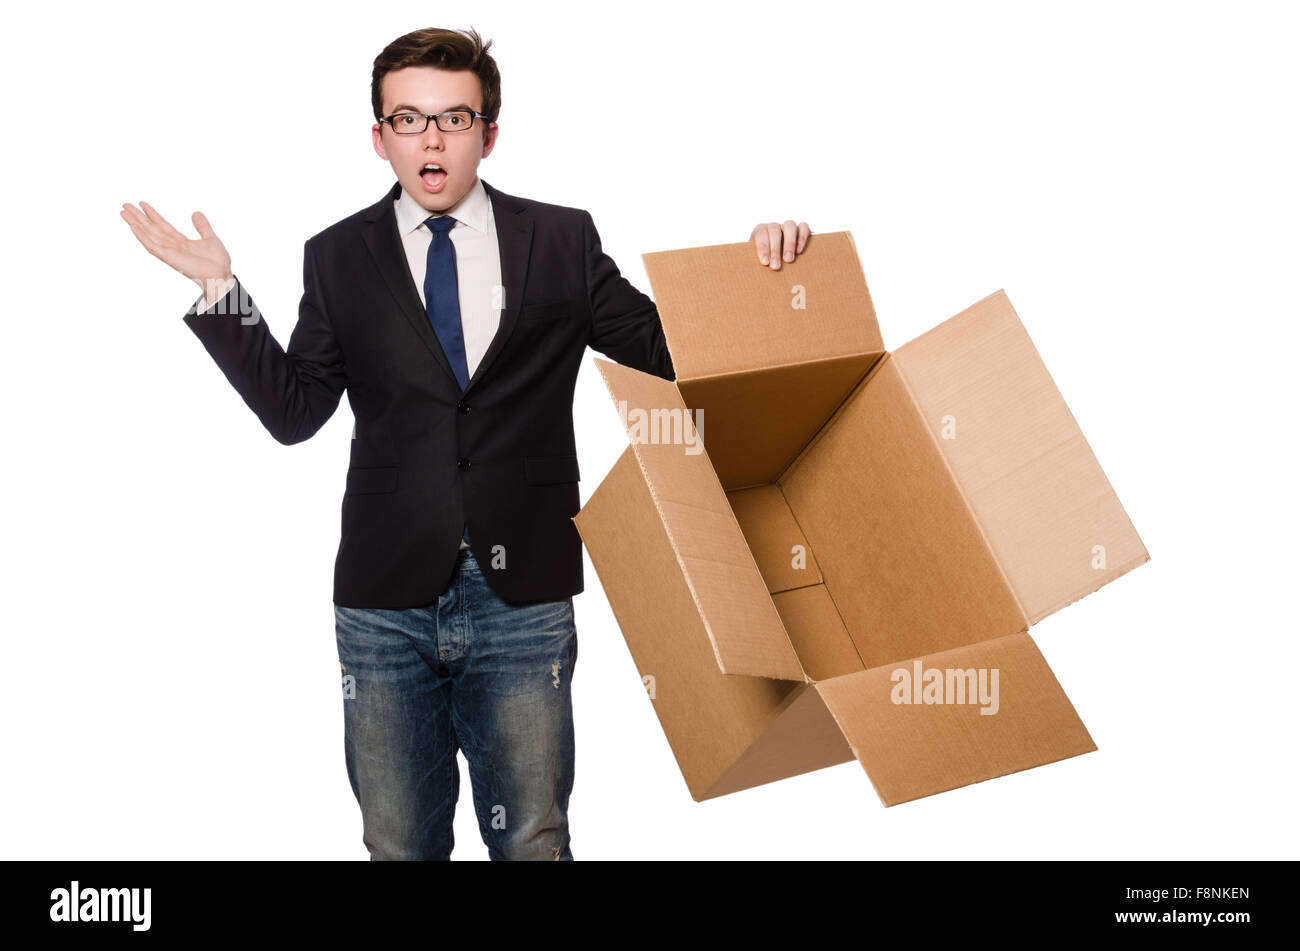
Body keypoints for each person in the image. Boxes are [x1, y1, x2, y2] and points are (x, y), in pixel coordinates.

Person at [120, 26, 811, 861]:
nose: (433, 138)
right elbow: (296, 409)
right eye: (409, 120)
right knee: (398, 844)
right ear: (379, 138)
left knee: (532, 837)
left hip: (522, 598)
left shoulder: (559, 240)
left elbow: (672, 353)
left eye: (454, 118)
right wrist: (220, 291)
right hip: (383, 603)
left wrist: (765, 277)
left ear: (490, 132)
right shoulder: (338, 257)